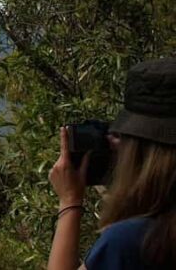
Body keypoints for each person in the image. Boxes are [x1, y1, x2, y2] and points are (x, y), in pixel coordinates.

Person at [48, 57, 176, 270]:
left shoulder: (135, 241)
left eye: (122, 136)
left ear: (140, 149)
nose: (114, 143)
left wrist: (69, 201)